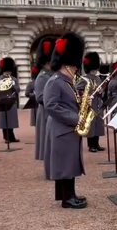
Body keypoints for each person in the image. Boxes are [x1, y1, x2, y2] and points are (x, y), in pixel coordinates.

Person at [43, 33, 87, 210]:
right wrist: (76, 118)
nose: (77, 69)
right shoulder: (55, 81)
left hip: (69, 129)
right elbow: (51, 106)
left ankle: (69, 195)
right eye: (75, 66)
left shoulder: (68, 82)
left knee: (69, 163)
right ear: (67, 64)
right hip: (62, 128)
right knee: (65, 165)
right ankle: (67, 199)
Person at [78, 52, 106, 150]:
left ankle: (97, 144)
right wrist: (86, 96)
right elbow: (78, 90)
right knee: (91, 125)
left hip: (98, 104)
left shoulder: (98, 78)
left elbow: (100, 91)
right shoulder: (84, 79)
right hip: (90, 105)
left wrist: (100, 91)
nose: (95, 71)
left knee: (98, 125)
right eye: (93, 69)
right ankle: (91, 145)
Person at [33, 39, 55, 161]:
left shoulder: (51, 74)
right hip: (46, 112)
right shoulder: (42, 77)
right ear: (47, 62)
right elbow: (40, 97)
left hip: (51, 112)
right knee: (47, 141)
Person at [0, 57, 21, 144]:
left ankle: (12, 136)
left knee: (11, 120)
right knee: (4, 121)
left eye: (9, 71)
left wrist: (13, 85)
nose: (8, 73)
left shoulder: (14, 79)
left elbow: (18, 90)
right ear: (3, 70)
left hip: (11, 101)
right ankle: (6, 137)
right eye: (6, 71)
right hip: (3, 101)